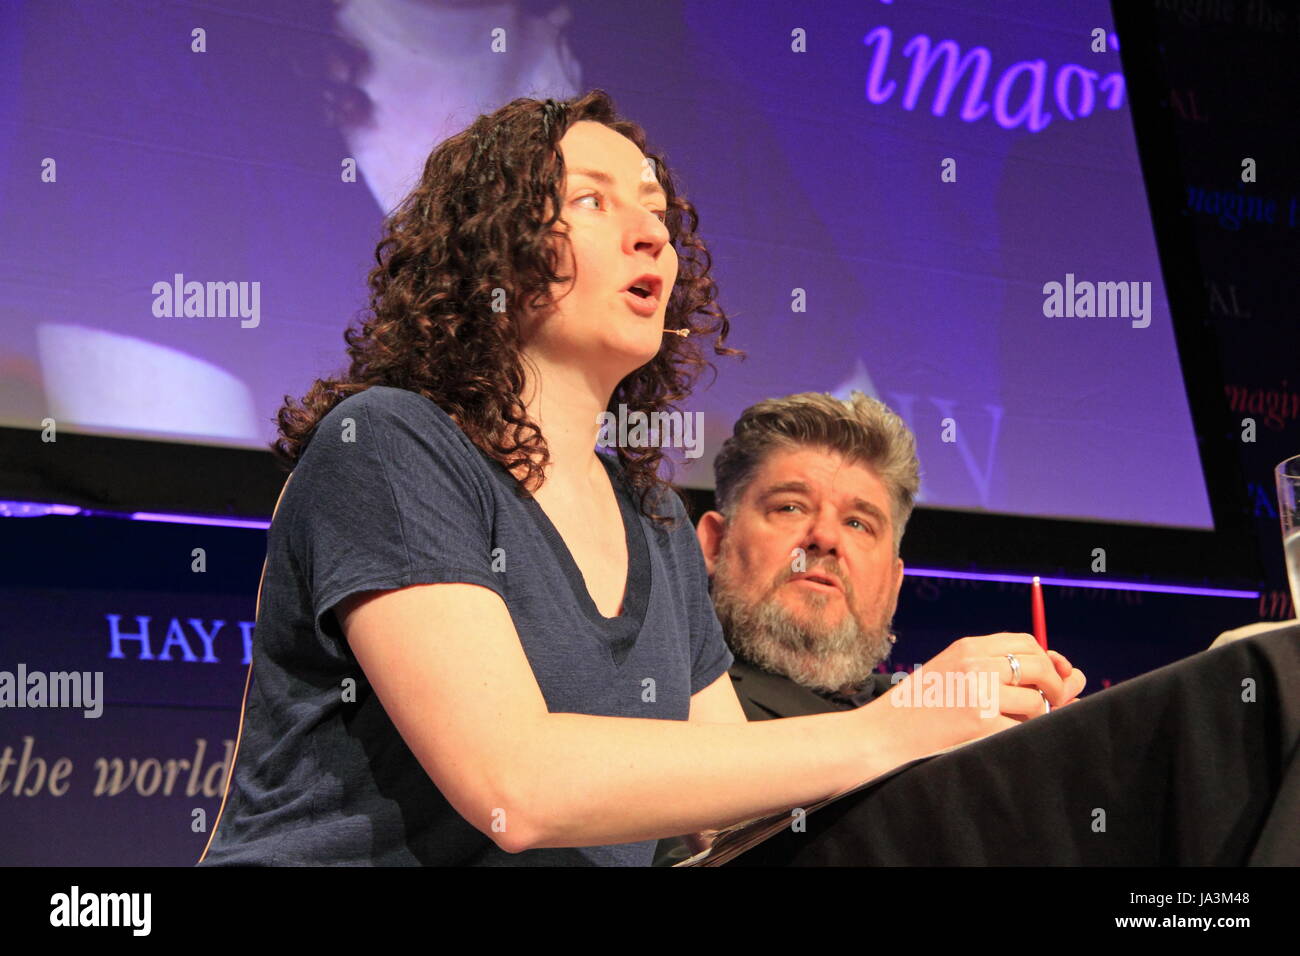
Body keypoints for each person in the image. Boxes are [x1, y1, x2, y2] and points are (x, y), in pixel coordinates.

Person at [197, 90, 1084, 867]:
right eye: (593, 199)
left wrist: (976, 749)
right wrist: (896, 725)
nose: (652, 230)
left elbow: (729, 821)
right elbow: (516, 783)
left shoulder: (654, 519)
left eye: (657, 208)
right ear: (494, 252)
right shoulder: (389, 444)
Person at [654, 390, 1084, 863]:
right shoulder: (662, 702)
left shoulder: (952, 720)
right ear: (713, 543)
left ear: (896, 582)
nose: (825, 538)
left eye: (859, 523)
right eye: (790, 507)